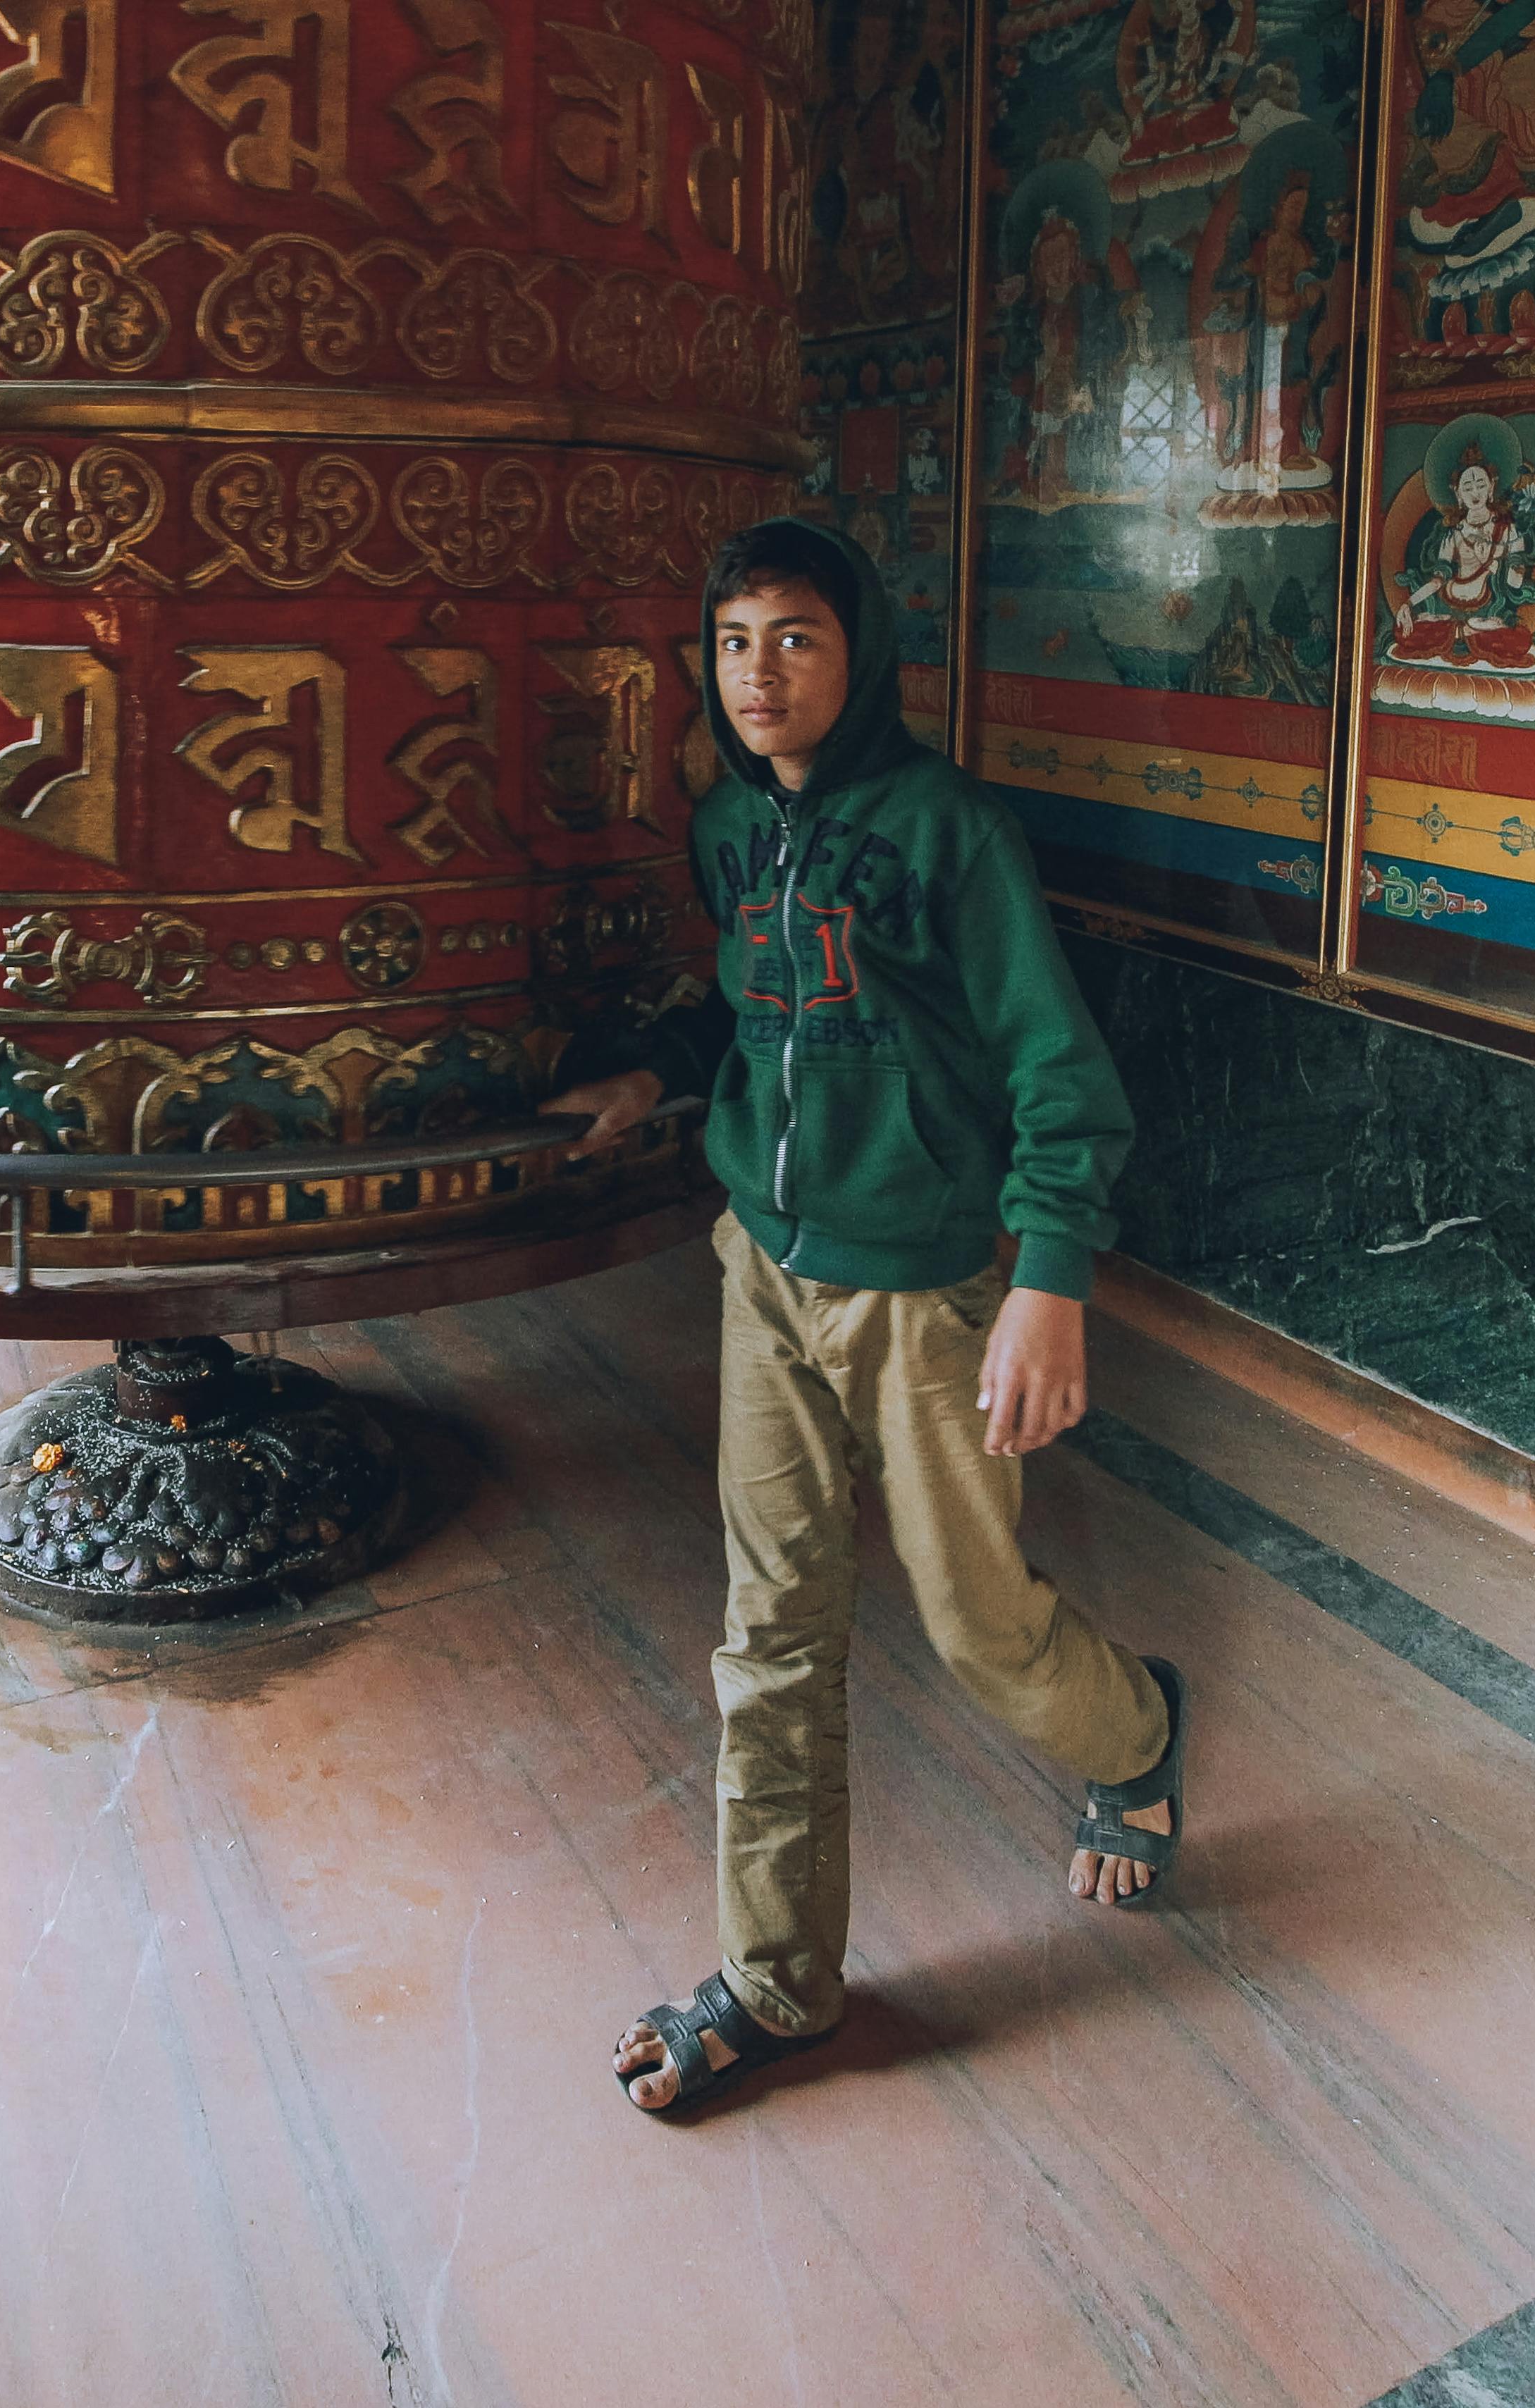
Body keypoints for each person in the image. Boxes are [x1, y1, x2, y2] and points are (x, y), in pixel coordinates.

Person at [551, 519, 1185, 2120]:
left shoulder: (946, 831)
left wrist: (1046, 1279)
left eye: (797, 639)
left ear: (863, 653)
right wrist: (663, 1072)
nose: (760, 672)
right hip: (760, 1263)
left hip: (916, 1287)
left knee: (977, 1624)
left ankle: (1134, 1728)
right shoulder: (724, 832)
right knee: (769, 1638)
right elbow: (760, 1012)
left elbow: (1057, 1067)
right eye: (735, 640)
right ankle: (776, 1982)